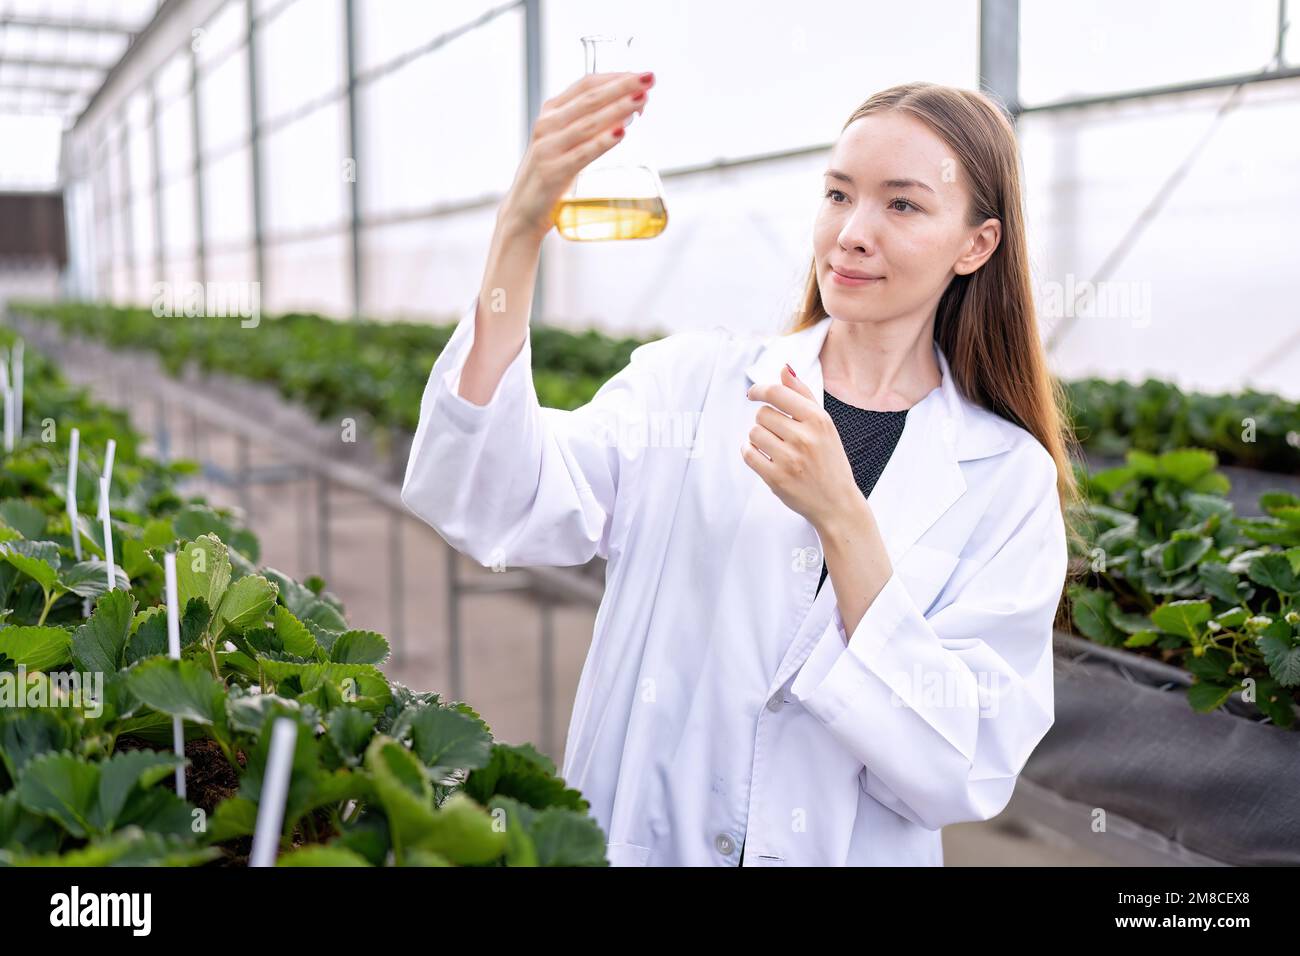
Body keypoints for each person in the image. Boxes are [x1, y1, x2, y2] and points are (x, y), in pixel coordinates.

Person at [401, 72, 1082, 866]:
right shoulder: (691, 386)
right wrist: (519, 233)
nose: (853, 232)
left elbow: (965, 765)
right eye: (838, 194)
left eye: (902, 204)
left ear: (977, 244)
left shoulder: (1007, 477)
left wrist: (844, 521)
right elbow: (493, 494)